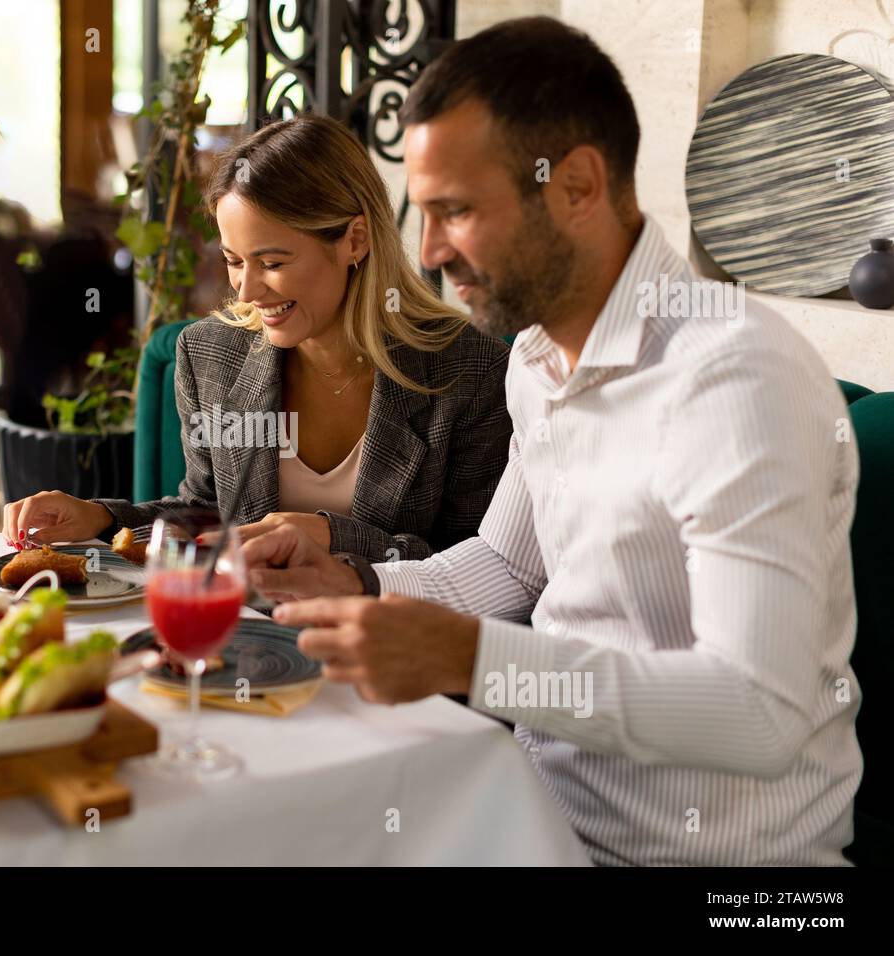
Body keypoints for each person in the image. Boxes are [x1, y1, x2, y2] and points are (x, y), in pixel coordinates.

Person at [242, 17, 861, 866]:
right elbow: (508, 567)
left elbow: (758, 712)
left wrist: (477, 659)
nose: (429, 254)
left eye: (455, 211)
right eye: (423, 215)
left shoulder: (735, 378)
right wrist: (360, 580)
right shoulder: (536, 359)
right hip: (527, 809)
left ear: (576, 186)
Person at [3, 113, 512, 562]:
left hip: (385, 647)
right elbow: (205, 514)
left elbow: (480, 565)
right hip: (244, 637)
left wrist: (334, 538)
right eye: (233, 261)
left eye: (272, 262)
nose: (246, 289)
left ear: (354, 241)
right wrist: (101, 519)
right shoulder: (210, 356)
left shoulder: (468, 371)